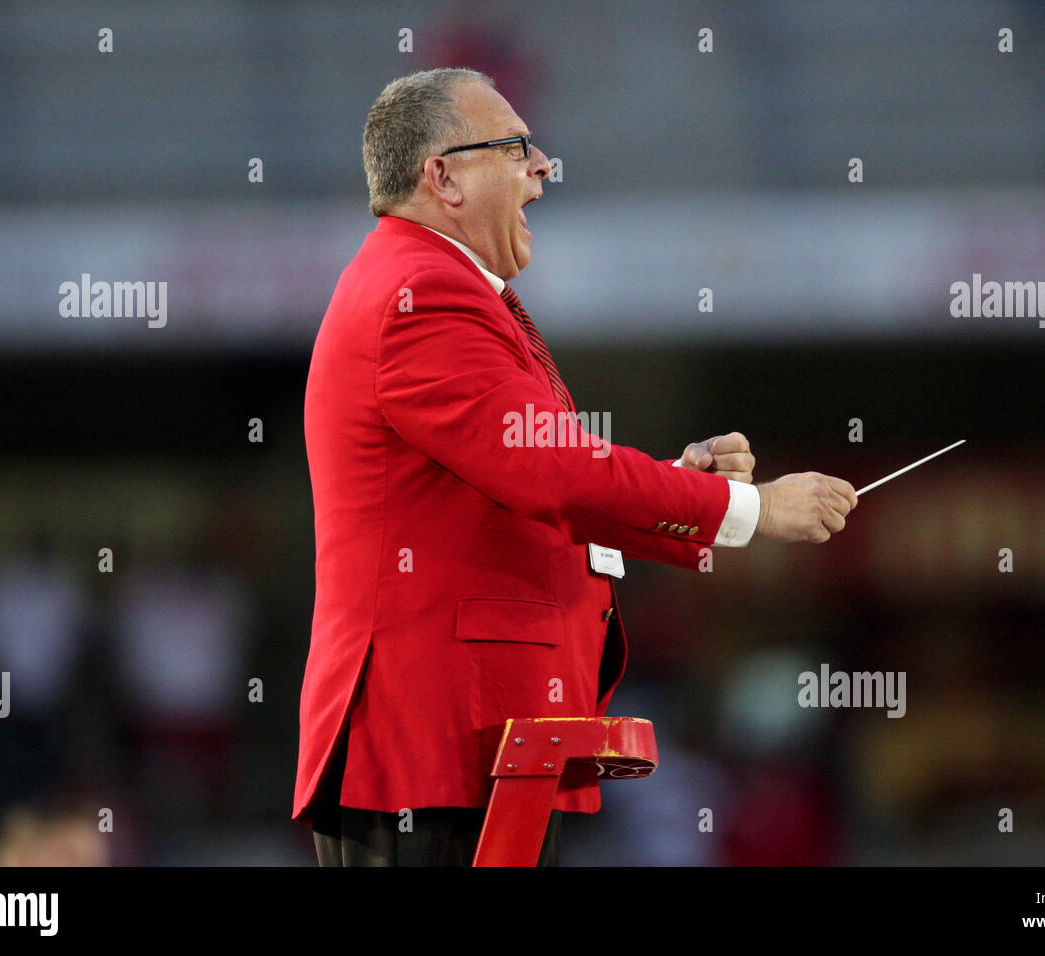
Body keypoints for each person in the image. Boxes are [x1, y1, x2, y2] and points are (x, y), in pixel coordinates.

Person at [296, 67, 858, 866]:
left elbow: (531, 493)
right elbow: (556, 474)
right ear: (443, 176)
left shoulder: (441, 289)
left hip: (470, 743)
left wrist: (686, 484)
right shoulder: (421, 294)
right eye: (517, 148)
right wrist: (755, 511)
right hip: (432, 745)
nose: (543, 168)